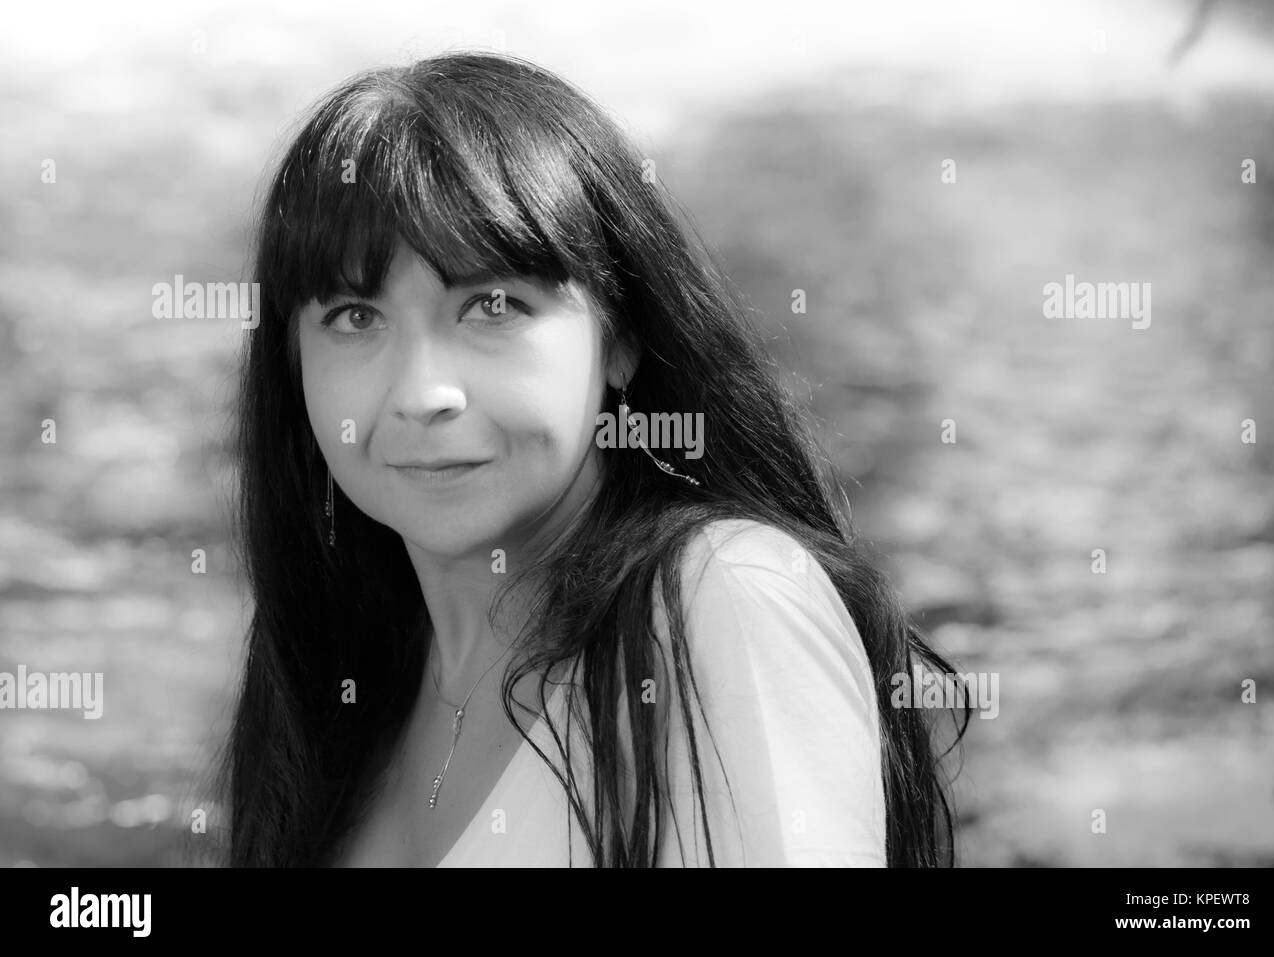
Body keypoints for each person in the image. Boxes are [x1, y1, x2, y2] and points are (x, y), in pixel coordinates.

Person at [208, 51, 970, 867]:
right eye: (356, 316)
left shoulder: (722, 603)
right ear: (294, 362)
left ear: (621, 336)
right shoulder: (338, 668)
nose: (421, 391)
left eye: (491, 306)